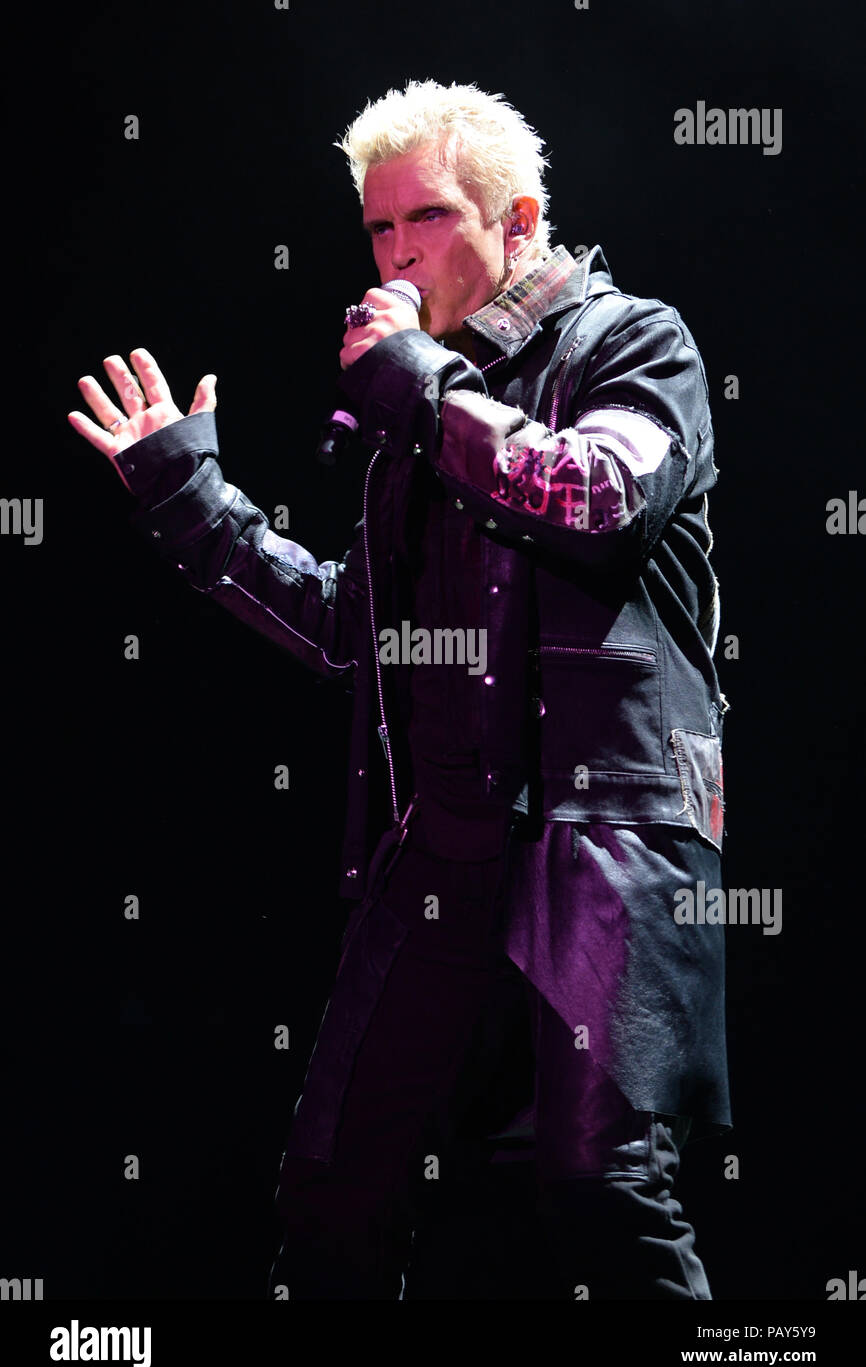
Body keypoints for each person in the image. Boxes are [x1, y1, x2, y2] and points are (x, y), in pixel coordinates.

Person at [68, 79, 732, 1301]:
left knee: (602, 1189)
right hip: (442, 847)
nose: (397, 251)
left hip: (603, 836)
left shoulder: (631, 342)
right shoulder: (414, 407)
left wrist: (420, 390)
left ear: (518, 220)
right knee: (333, 1188)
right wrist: (188, 500)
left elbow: (596, 497)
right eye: (377, 228)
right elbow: (353, 633)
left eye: (424, 216)